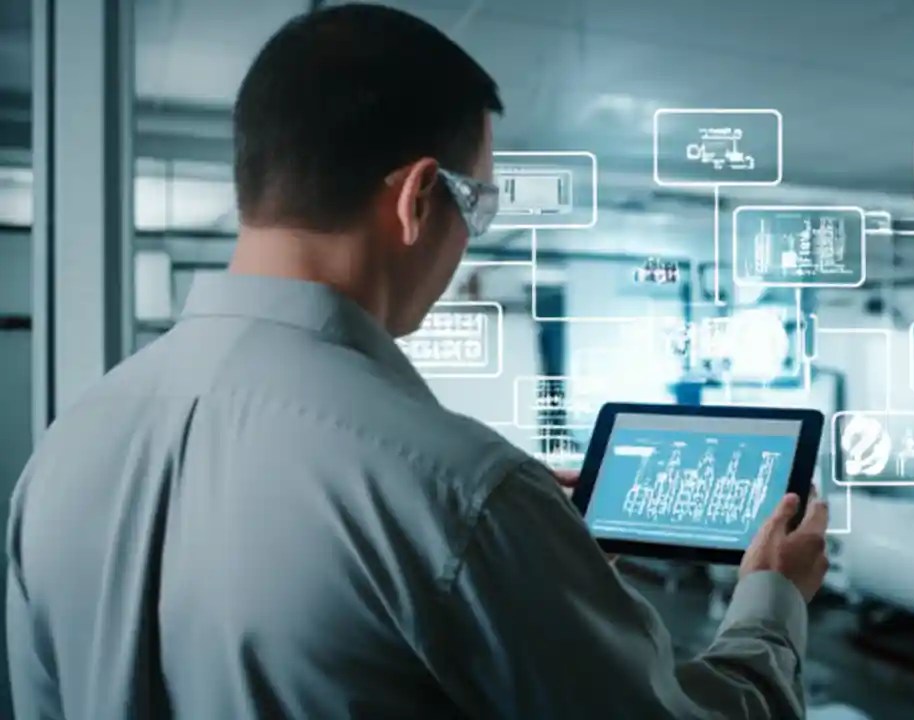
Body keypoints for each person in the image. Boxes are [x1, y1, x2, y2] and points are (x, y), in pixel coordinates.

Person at [6, 4, 830, 719]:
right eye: (479, 206)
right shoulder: (457, 488)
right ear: (418, 199)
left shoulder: (64, 450)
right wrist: (773, 602)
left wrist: (533, 556)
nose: (469, 240)